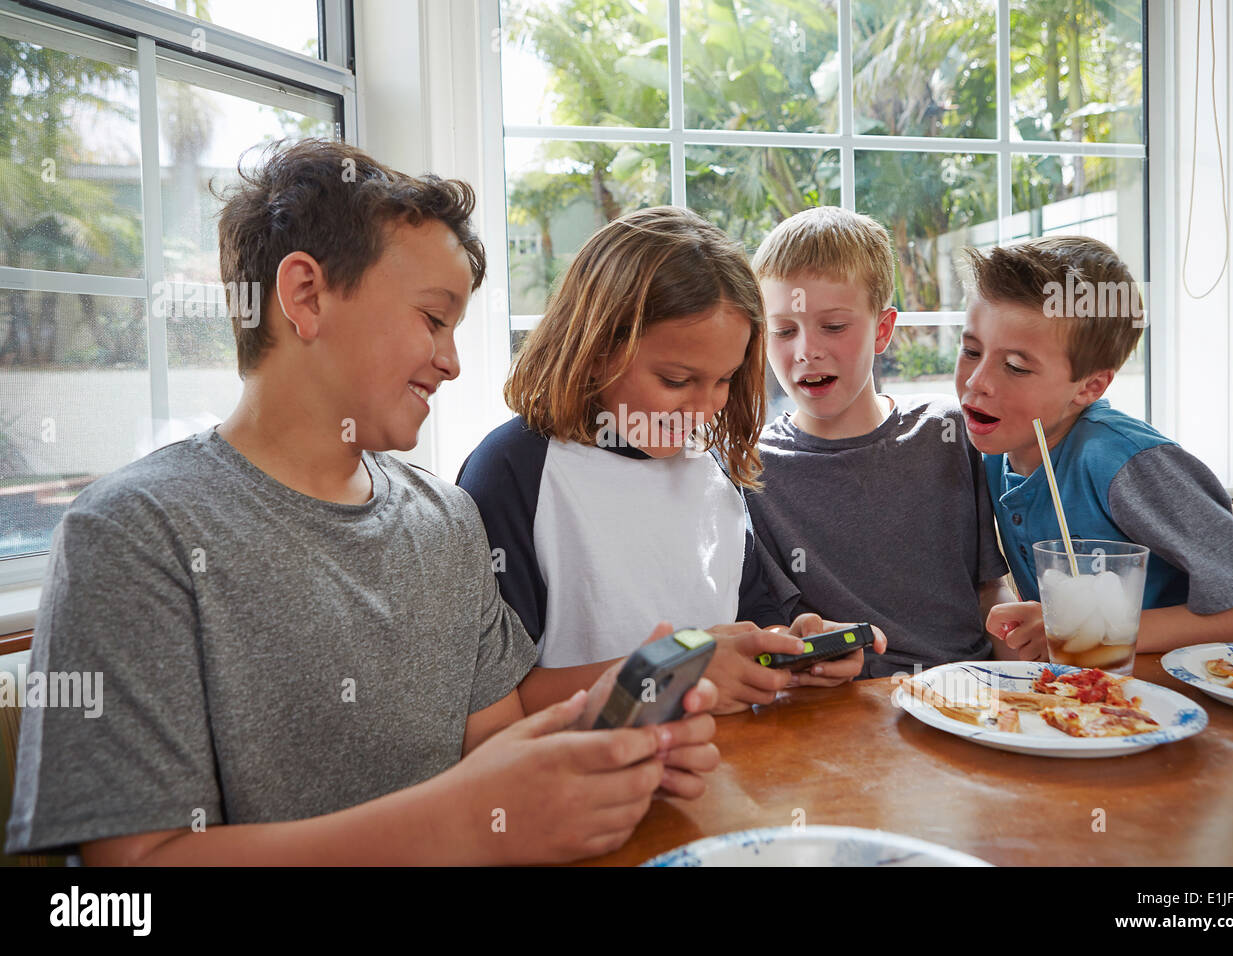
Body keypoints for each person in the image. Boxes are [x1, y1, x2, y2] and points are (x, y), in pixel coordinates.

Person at [4, 139, 720, 866]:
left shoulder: (446, 522)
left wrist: (606, 744)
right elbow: (126, 882)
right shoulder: (132, 535)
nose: (452, 360)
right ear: (306, 296)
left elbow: (495, 751)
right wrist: (466, 827)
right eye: (433, 319)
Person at [457, 207, 885, 715]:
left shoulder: (712, 467)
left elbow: (748, 618)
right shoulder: (512, 471)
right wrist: (677, 671)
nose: (704, 410)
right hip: (588, 781)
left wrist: (790, 644)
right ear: (596, 348)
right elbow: (497, 702)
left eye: (724, 380)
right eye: (676, 381)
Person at [957, 236, 1233, 653]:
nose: (976, 382)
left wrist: (1090, 631)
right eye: (971, 350)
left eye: (1015, 367)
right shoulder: (995, 450)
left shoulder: (1122, 462)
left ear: (1091, 386)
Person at [745, 206, 1013, 678]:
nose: (807, 349)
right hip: (843, 711)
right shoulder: (752, 468)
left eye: (833, 326)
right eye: (784, 330)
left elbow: (991, 591)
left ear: (883, 330)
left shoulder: (949, 432)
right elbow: (775, 629)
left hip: (969, 692)